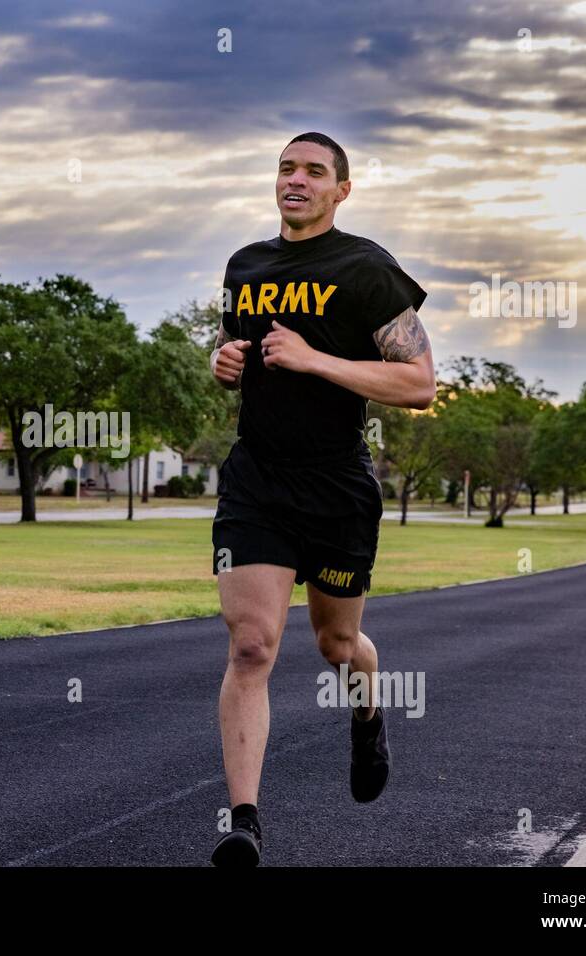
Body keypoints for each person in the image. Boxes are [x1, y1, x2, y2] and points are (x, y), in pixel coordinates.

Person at [208, 131, 435, 866]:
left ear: (342, 189)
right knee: (252, 646)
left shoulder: (366, 270)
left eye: (313, 171)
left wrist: (315, 360)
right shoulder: (247, 267)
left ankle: (367, 716)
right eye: (285, 168)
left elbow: (420, 384)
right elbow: (243, 356)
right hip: (258, 481)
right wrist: (227, 360)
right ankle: (245, 823)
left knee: (337, 645)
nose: (295, 180)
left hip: (338, 486)